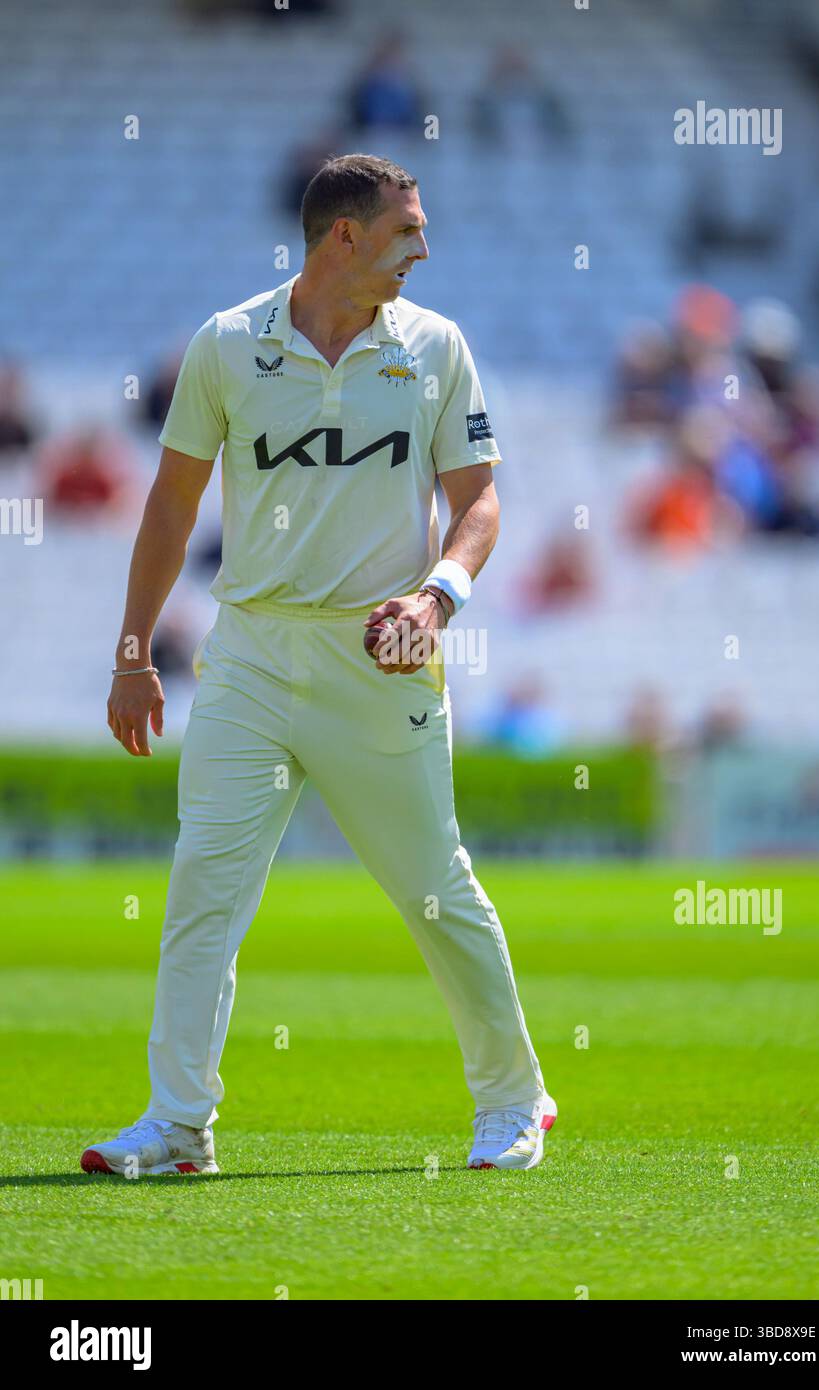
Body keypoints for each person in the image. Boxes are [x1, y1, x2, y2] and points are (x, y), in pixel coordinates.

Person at [83, 153, 554, 1178]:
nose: (423, 248)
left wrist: (437, 598)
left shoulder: (434, 348)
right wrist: (131, 652)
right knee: (205, 884)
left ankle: (515, 1102)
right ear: (343, 236)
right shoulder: (227, 344)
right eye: (406, 232)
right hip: (250, 649)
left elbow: (479, 501)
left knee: (434, 888)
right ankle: (176, 1126)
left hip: (379, 656)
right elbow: (170, 507)